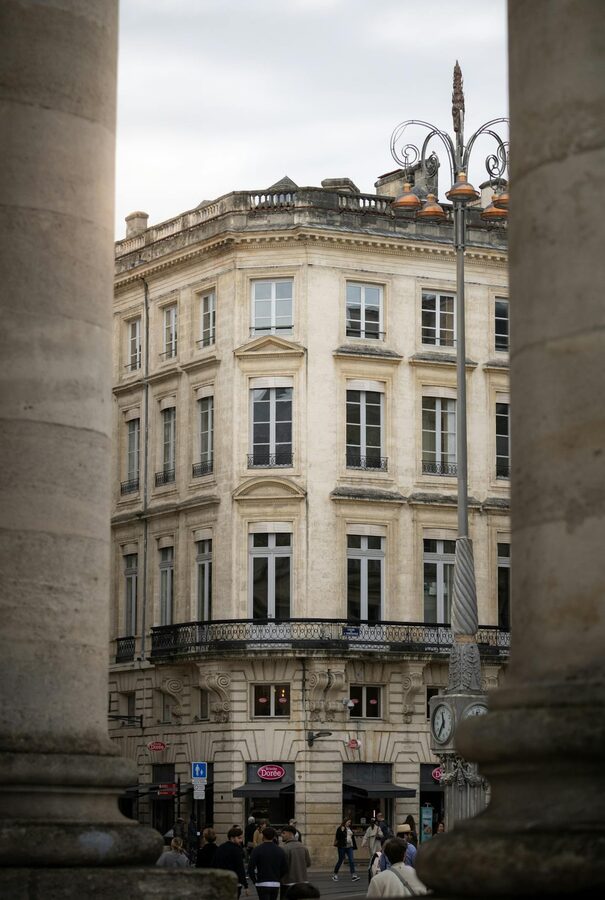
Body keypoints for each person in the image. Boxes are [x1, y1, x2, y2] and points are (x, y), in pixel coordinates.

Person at [248, 826, 288, 900]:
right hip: (275, 883)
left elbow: (250, 867)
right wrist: (278, 877)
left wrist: (254, 881)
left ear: (263, 836)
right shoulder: (280, 850)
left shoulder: (257, 850)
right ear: (273, 837)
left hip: (262, 882)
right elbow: (285, 868)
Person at [214, 825, 249, 898]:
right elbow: (240, 868)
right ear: (232, 838)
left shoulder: (220, 848)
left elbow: (214, 864)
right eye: (239, 838)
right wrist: (246, 886)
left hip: (221, 882)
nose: (241, 840)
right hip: (234, 883)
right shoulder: (237, 850)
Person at [280, 824, 311, 900]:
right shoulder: (303, 847)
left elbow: (282, 867)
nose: (281, 835)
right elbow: (308, 863)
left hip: (288, 883)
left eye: (284, 833)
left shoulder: (284, 848)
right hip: (302, 882)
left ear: (290, 834)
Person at [332, 817, 360, 882]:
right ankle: (335, 874)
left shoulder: (349, 828)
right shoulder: (340, 828)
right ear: (345, 822)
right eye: (348, 822)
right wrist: (341, 831)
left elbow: (351, 837)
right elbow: (338, 837)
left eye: (350, 822)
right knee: (340, 860)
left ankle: (353, 875)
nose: (349, 823)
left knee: (351, 861)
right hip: (342, 847)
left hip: (349, 847)